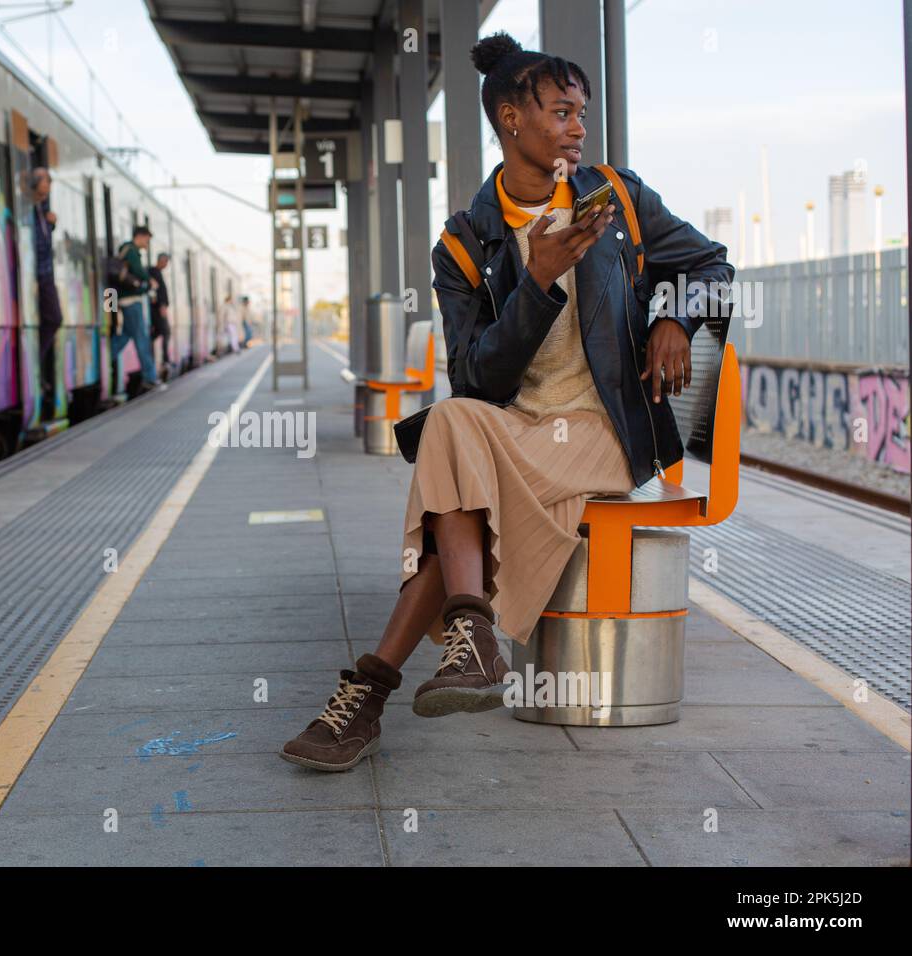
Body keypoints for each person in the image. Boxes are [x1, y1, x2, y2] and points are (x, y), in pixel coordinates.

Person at [280, 31, 733, 772]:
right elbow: (477, 382)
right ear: (511, 121)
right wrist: (539, 281)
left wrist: (676, 318)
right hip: (512, 431)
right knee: (455, 425)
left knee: (451, 459)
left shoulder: (616, 199)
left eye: (581, 112)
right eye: (561, 112)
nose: (578, 128)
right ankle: (462, 639)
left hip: (605, 432)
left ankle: (383, 687)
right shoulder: (464, 245)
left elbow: (714, 265)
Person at [111, 226, 163, 395]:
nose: (148, 243)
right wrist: (150, 281)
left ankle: (105, 360)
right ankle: (150, 378)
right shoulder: (131, 251)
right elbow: (139, 271)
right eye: (147, 239)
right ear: (140, 236)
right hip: (131, 301)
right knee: (142, 338)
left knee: (126, 335)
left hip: (127, 300)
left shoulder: (127, 250)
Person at [30, 167, 63, 413]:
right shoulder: (30, 209)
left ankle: (37, 367)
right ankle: (35, 366)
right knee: (53, 318)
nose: (49, 184)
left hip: (45, 274)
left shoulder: (42, 211)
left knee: (52, 319)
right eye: (46, 180)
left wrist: (51, 226)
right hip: (39, 275)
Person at [148, 252, 172, 381]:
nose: (166, 265)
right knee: (165, 331)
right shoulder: (153, 272)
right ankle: (165, 361)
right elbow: (156, 291)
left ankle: (163, 361)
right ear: (161, 260)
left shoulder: (156, 272)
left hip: (158, 308)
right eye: (165, 262)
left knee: (159, 333)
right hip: (157, 309)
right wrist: (162, 305)